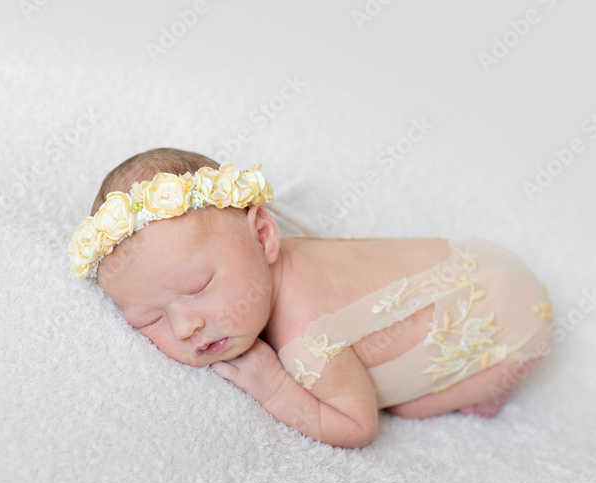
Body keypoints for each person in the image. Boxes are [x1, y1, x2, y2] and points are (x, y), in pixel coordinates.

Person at [68, 148, 553, 449]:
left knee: (405, 408)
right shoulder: (264, 262)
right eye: (148, 319)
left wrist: (273, 388)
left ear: (264, 235)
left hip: (516, 321)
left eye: (197, 287)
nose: (184, 326)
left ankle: (492, 383)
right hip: (484, 257)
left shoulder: (308, 339)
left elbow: (358, 427)